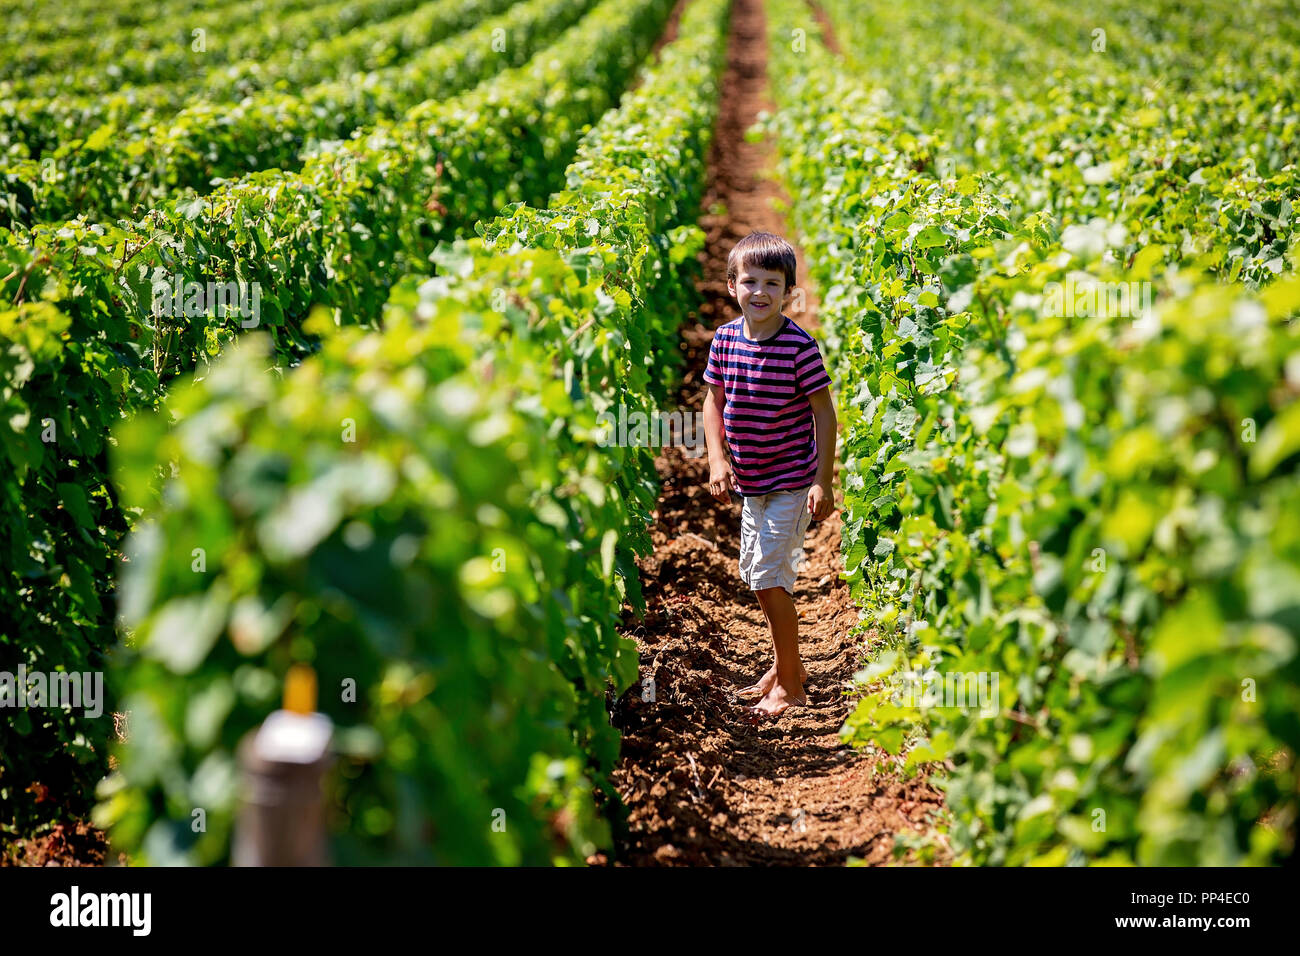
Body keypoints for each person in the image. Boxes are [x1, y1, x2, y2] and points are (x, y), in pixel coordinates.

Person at [701, 231, 837, 719]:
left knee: (767, 578)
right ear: (732, 285)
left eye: (771, 283)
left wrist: (823, 479)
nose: (759, 292)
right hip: (750, 483)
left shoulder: (800, 347)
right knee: (757, 576)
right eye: (750, 281)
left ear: (788, 291)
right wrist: (718, 460)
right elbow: (712, 403)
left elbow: (825, 413)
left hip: (791, 482)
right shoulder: (724, 340)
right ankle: (781, 667)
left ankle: (792, 682)